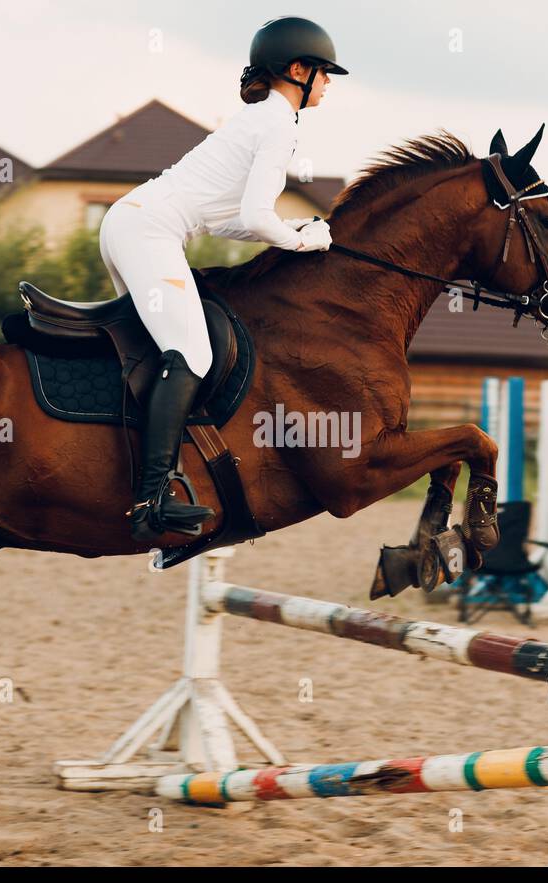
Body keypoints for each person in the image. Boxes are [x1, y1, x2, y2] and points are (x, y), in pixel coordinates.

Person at [99, 16, 347, 542]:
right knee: (192, 354)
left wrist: (293, 228)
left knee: (157, 353)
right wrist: (304, 241)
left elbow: (227, 221)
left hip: (131, 222)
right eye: (324, 71)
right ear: (297, 70)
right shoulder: (279, 125)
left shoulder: (258, 118)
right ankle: (150, 501)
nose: (328, 82)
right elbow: (257, 217)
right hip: (149, 230)